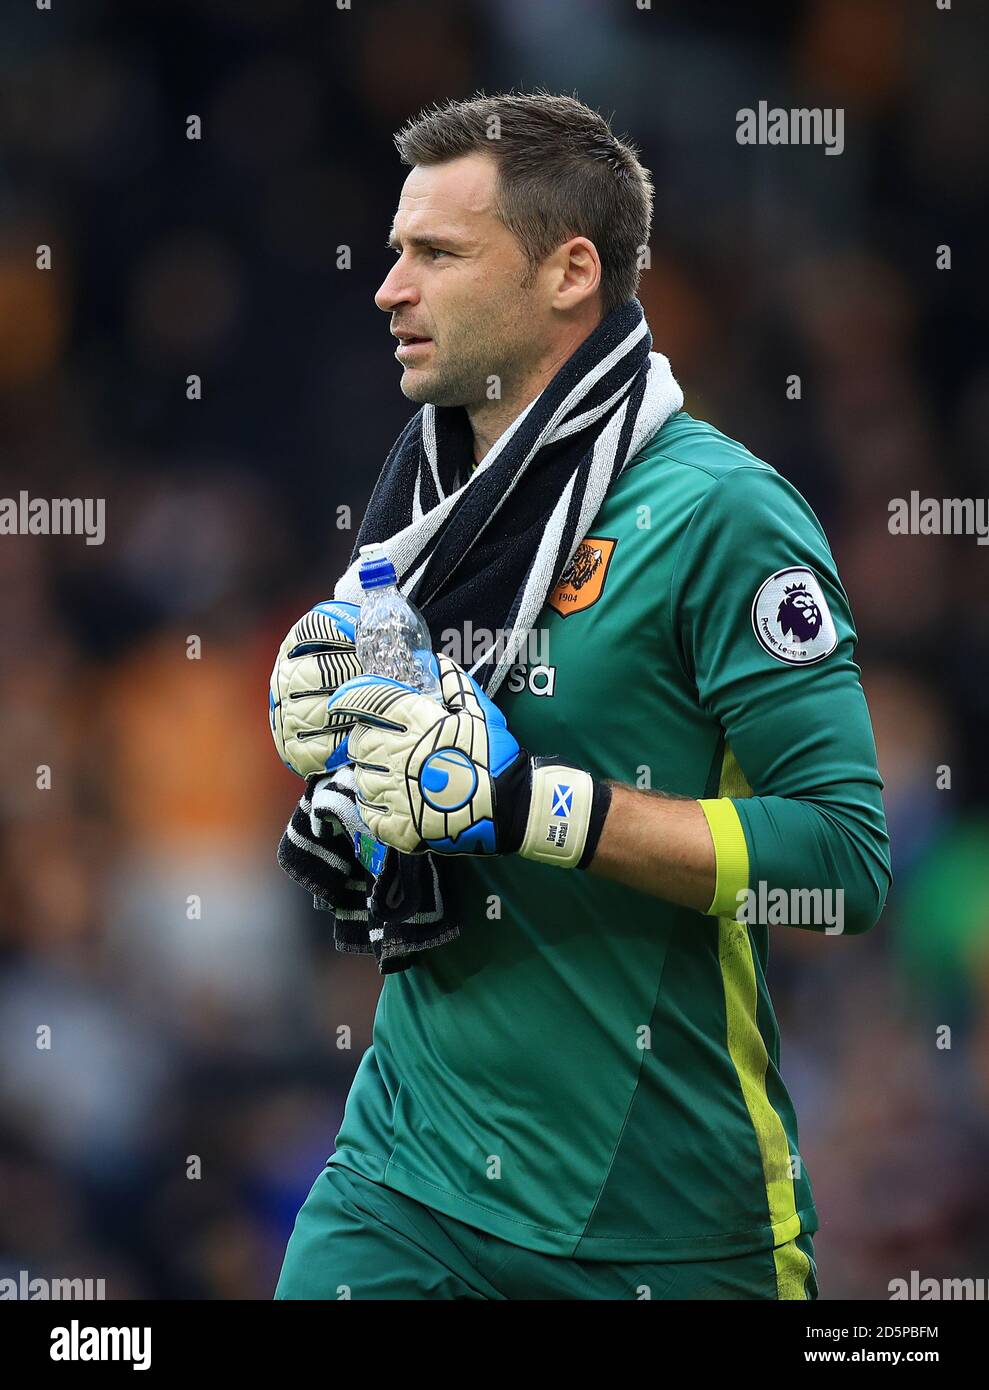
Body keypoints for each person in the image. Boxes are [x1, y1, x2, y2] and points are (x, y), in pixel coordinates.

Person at [272, 91, 891, 1301]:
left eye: (434, 254)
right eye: (396, 251)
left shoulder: (723, 515)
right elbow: (429, 779)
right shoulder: (422, 496)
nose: (389, 287)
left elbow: (844, 859)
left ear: (568, 272)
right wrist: (333, 735)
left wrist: (533, 807)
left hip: (661, 1219)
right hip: (404, 1179)